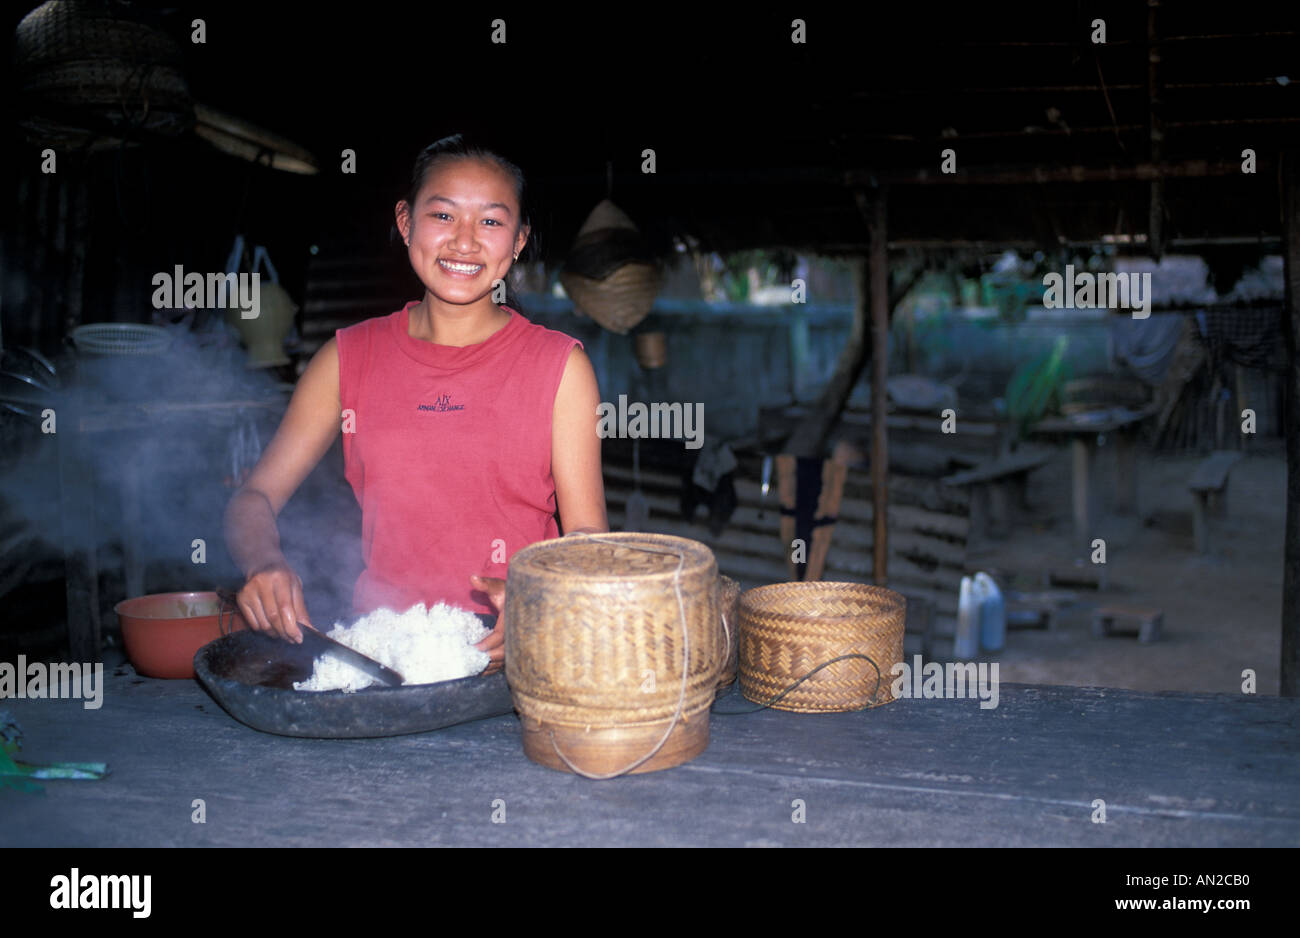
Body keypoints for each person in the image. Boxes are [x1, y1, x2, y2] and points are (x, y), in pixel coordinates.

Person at [224, 135, 608, 674]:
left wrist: (543, 594)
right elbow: (253, 498)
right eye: (444, 215)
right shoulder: (346, 359)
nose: (465, 242)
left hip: (521, 661)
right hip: (384, 658)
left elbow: (589, 538)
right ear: (406, 223)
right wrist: (264, 563)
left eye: (491, 222)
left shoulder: (560, 367)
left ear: (519, 241)